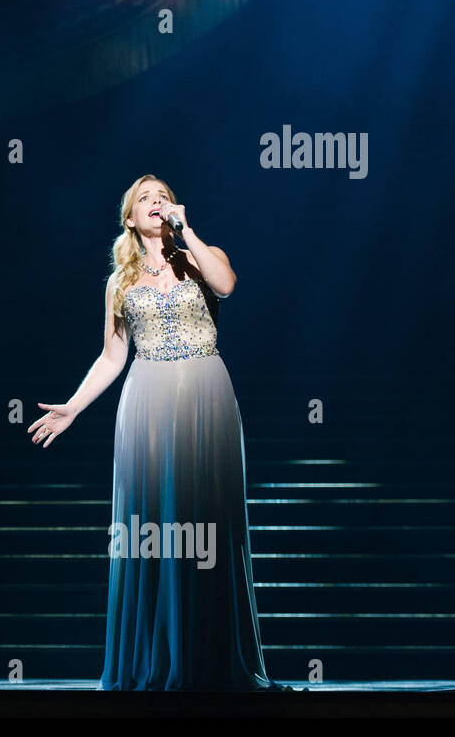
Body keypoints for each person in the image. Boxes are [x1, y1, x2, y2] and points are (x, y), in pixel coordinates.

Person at [28, 174, 287, 691]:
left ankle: (212, 662)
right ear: (129, 218)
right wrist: (74, 408)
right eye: (145, 199)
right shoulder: (120, 282)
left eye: (162, 197)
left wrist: (185, 231)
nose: (156, 203)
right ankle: (155, 659)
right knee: (151, 531)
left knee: (209, 524)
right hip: (146, 401)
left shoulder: (199, 253)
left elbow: (227, 285)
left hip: (206, 393)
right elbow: (112, 355)